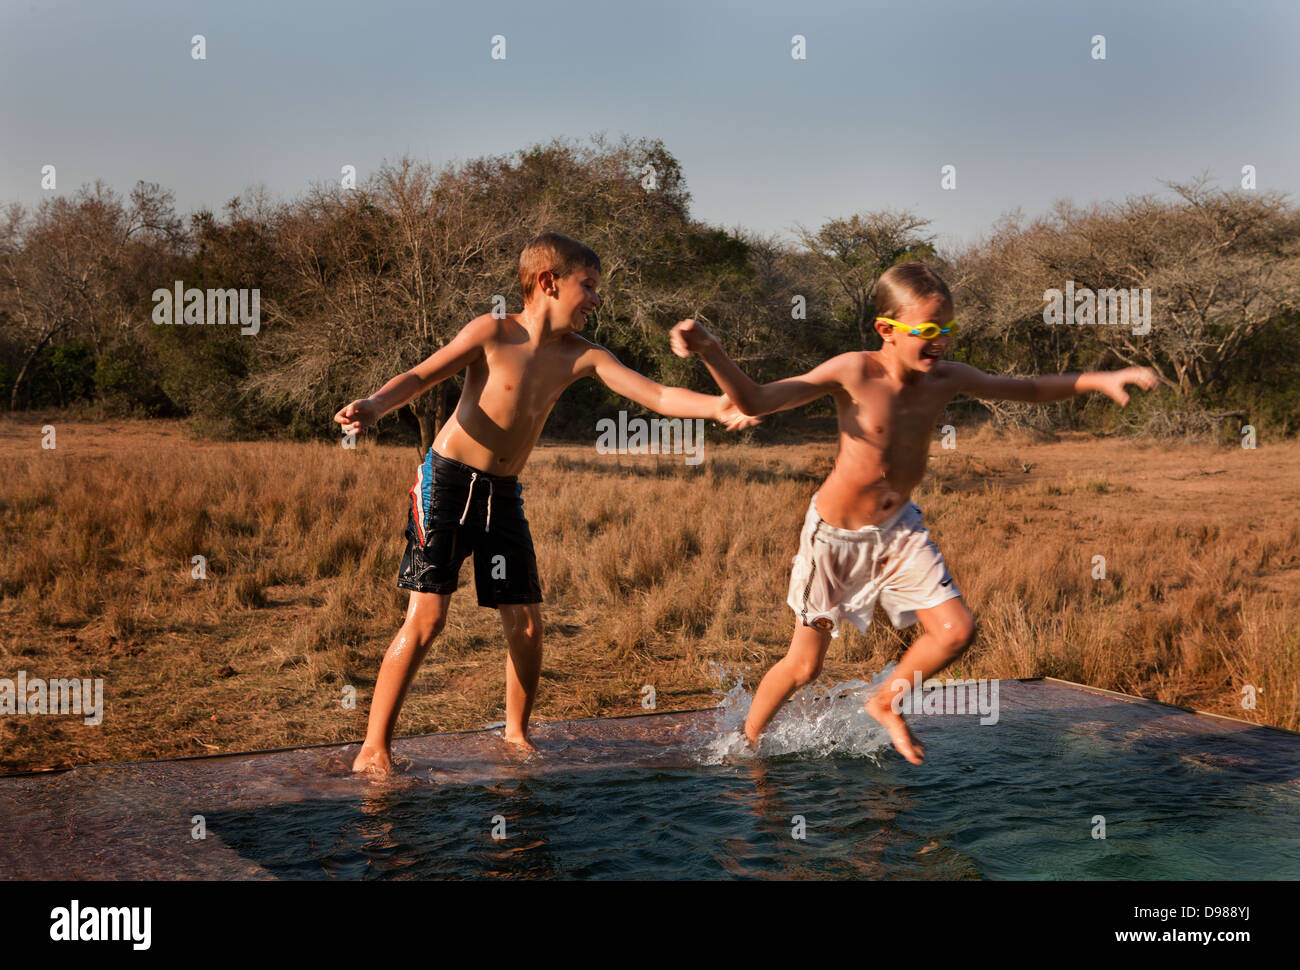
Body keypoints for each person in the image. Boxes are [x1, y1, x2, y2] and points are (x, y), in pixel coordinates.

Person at [670, 261, 1158, 764]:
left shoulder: (946, 378)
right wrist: (710, 349)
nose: (940, 341)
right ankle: (744, 746)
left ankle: (884, 700)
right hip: (834, 539)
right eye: (927, 330)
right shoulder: (854, 371)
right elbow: (753, 399)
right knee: (803, 666)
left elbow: (1028, 388)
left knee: (956, 631)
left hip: (899, 531)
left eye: (947, 330)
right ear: (887, 329)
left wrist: (1100, 379)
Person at [337, 231, 755, 773]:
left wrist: (718, 408)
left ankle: (514, 734)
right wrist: (373, 405)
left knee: (529, 624)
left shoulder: (582, 356)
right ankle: (374, 749)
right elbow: (422, 374)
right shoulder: (492, 332)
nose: (597, 300)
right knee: (427, 619)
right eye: (589, 286)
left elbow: (657, 395)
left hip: (502, 495)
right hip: (447, 484)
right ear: (548, 282)